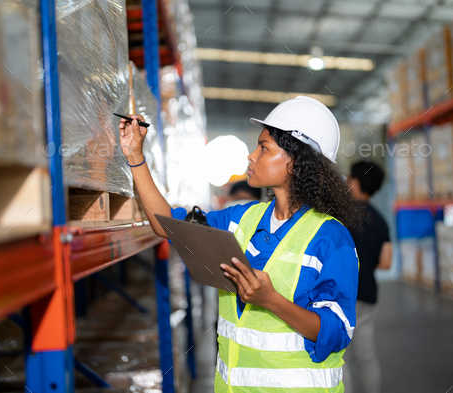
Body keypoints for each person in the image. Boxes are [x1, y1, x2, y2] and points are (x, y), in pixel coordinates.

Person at [119, 95, 362, 392]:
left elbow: (337, 332)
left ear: (296, 163)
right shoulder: (241, 218)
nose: (251, 156)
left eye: (264, 148)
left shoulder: (330, 238)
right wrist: (135, 157)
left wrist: (272, 301)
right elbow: (165, 223)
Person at [343, 161, 392, 393]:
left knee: (337, 355)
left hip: (340, 295)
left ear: (355, 181)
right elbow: (386, 263)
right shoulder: (381, 221)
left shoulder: (339, 216)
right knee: (366, 356)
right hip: (367, 295)